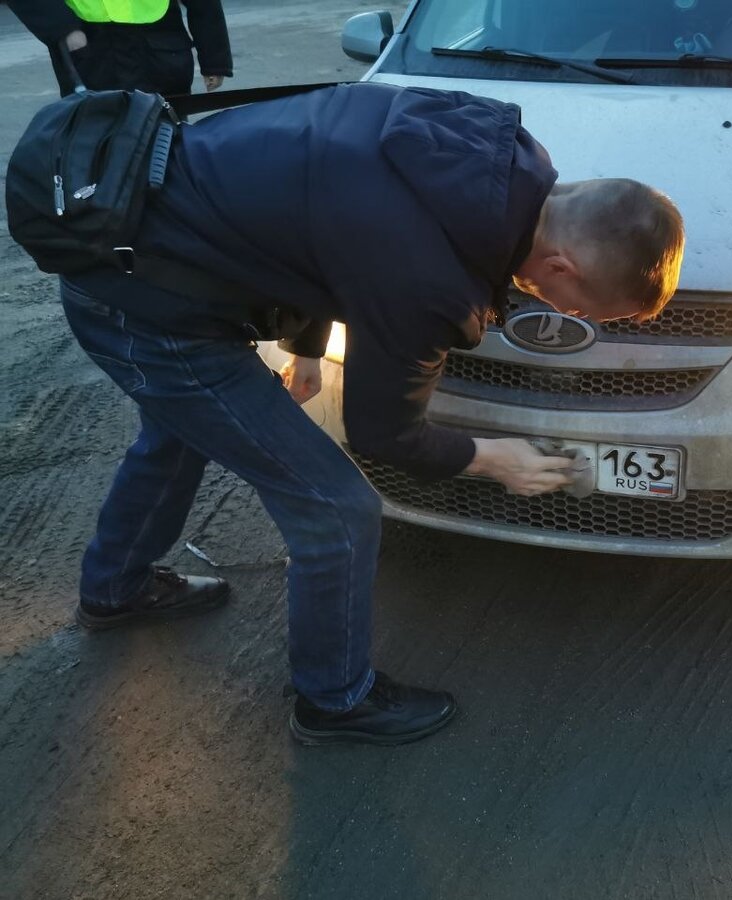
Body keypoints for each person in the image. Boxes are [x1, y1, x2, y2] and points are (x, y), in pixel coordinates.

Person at [57, 81, 686, 747]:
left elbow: (328, 210)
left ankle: (115, 588)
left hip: (143, 251)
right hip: (144, 302)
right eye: (580, 309)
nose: (567, 318)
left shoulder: (478, 146)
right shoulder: (429, 277)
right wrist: (495, 457)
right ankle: (334, 701)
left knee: (180, 431)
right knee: (336, 508)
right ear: (561, 263)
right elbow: (384, 434)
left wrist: (305, 346)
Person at [6, 0, 232, 96]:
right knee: (98, 149)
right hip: (91, 47)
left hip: (161, 44)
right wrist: (63, 29)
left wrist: (214, 60)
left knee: (166, 148)